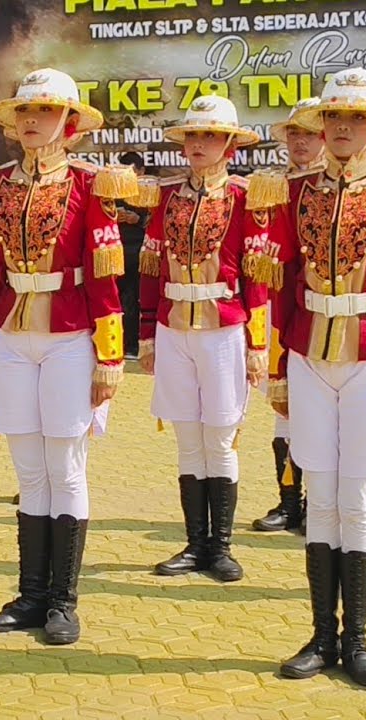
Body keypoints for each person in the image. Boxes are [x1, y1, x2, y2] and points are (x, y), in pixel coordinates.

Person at [251, 68, 366, 686]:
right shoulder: (295, 192)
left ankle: (356, 639)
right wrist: (278, 365)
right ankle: (319, 636)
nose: (342, 128)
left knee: (356, 494)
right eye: (335, 117)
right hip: (308, 353)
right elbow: (278, 291)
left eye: (358, 118)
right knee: (322, 495)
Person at [0, 68, 135, 645]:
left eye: (46, 111)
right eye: (25, 112)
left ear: (69, 122)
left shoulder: (92, 186)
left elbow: (107, 280)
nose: (33, 121)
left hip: (69, 335)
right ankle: (31, 594)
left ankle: (63, 600)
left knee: (65, 467)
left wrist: (109, 358)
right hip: (13, 334)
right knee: (28, 469)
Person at [135, 96, 266, 581]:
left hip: (225, 327)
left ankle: (222, 546)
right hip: (174, 326)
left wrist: (256, 345)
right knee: (189, 440)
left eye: (210, 135)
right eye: (192, 135)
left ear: (230, 144)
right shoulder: (165, 197)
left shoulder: (246, 197)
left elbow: (258, 278)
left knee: (221, 438)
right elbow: (149, 269)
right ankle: (194, 544)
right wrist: (146, 333)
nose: (198, 144)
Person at [250, 97, 327, 536]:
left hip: (317, 309)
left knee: (319, 413)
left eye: (309, 133)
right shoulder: (273, 187)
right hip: (274, 309)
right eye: (294, 133)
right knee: (283, 411)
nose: (301, 141)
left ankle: (320, 501)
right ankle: (288, 501)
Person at [116, 151, 148, 357]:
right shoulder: (114, 192)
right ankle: (121, 343)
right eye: (124, 170)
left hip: (140, 252)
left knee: (138, 299)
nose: (128, 174)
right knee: (118, 299)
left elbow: (156, 225)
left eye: (132, 170)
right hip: (118, 252)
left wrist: (138, 220)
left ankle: (137, 343)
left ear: (141, 171)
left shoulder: (148, 193)